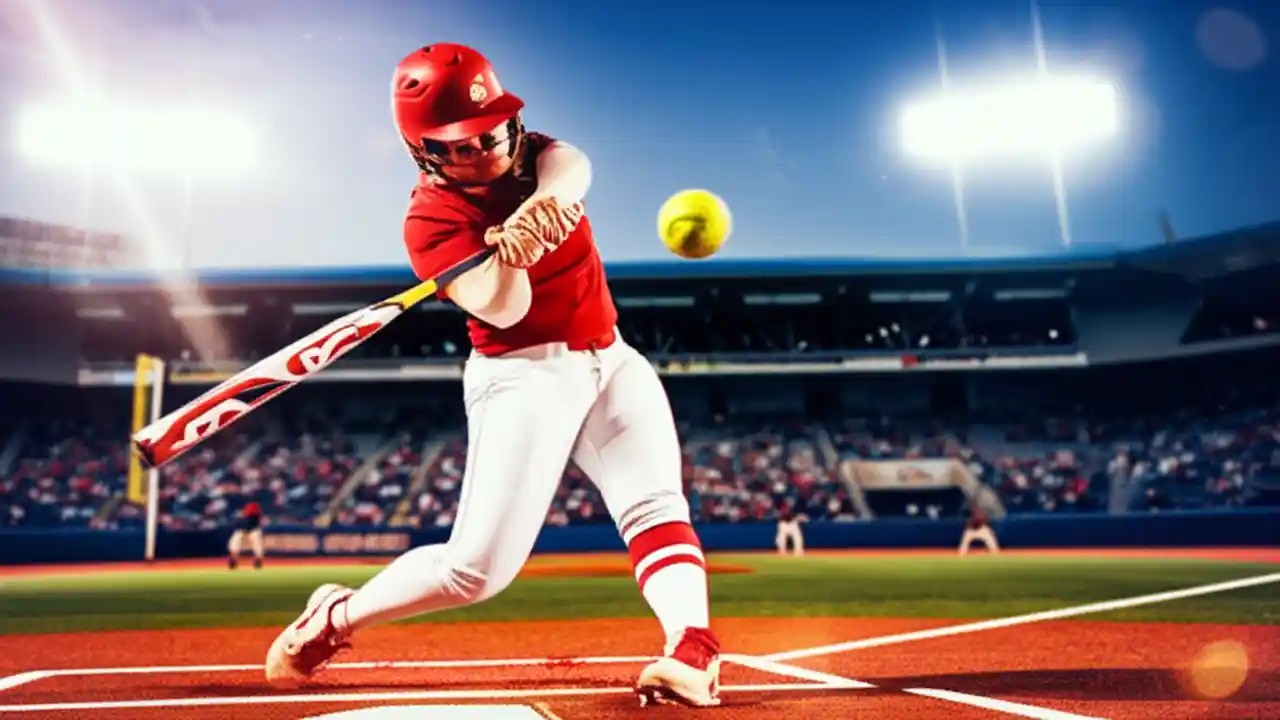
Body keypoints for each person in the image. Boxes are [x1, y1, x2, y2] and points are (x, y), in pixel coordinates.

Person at [264, 43, 720, 707]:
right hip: (523, 379)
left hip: (611, 357)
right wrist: (509, 255)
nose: (486, 146)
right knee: (474, 572)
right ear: (424, 153)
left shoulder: (532, 153)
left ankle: (694, 651)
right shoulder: (430, 223)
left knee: (655, 507)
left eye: (493, 129)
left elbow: (572, 163)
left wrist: (543, 207)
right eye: (462, 144)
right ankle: (334, 618)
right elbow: (510, 307)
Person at [227, 502, 265, 570]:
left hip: (252, 529)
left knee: (255, 537)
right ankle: (233, 557)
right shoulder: (242, 517)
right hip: (244, 529)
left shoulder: (254, 518)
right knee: (238, 536)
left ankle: (258, 559)